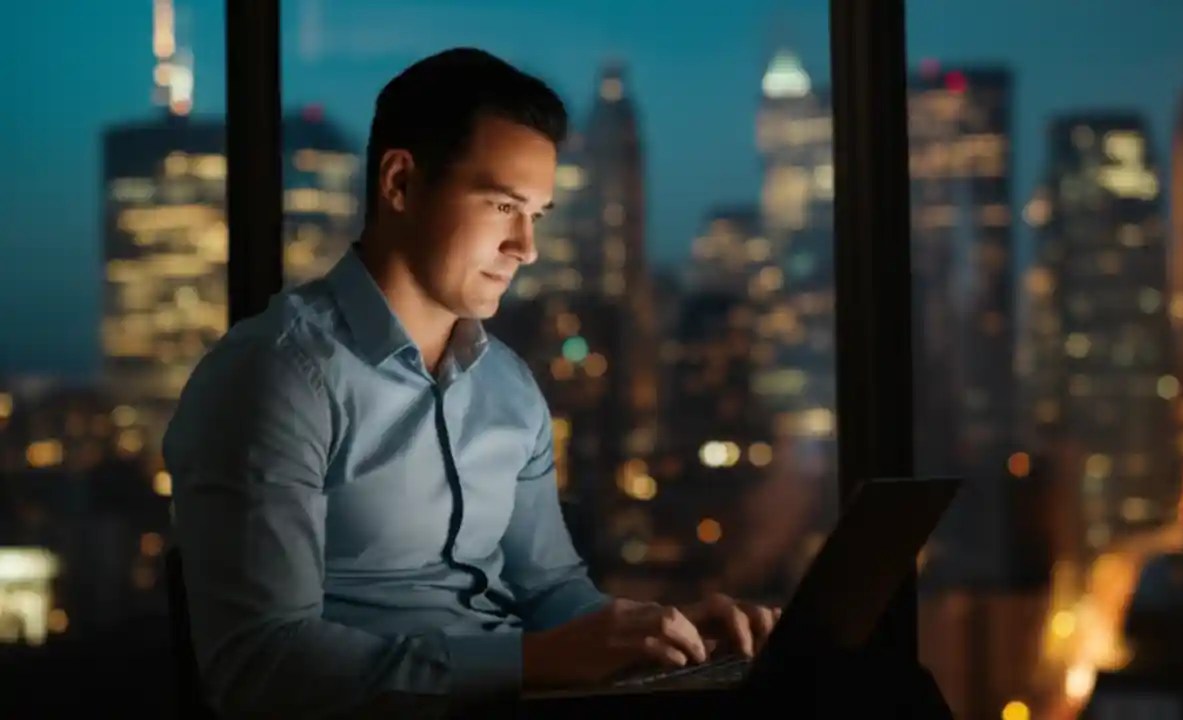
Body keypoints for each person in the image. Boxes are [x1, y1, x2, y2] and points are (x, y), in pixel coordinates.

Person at [164, 47, 779, 718]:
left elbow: (551, 593)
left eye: (536, 215)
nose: (527, 247)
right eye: (501, 205)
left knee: (851, 688)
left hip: (529, 696)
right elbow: (263, 666)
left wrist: (662, 636)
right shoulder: (276, 375)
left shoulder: (510, 390)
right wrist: (534, 661)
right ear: (399, 183)